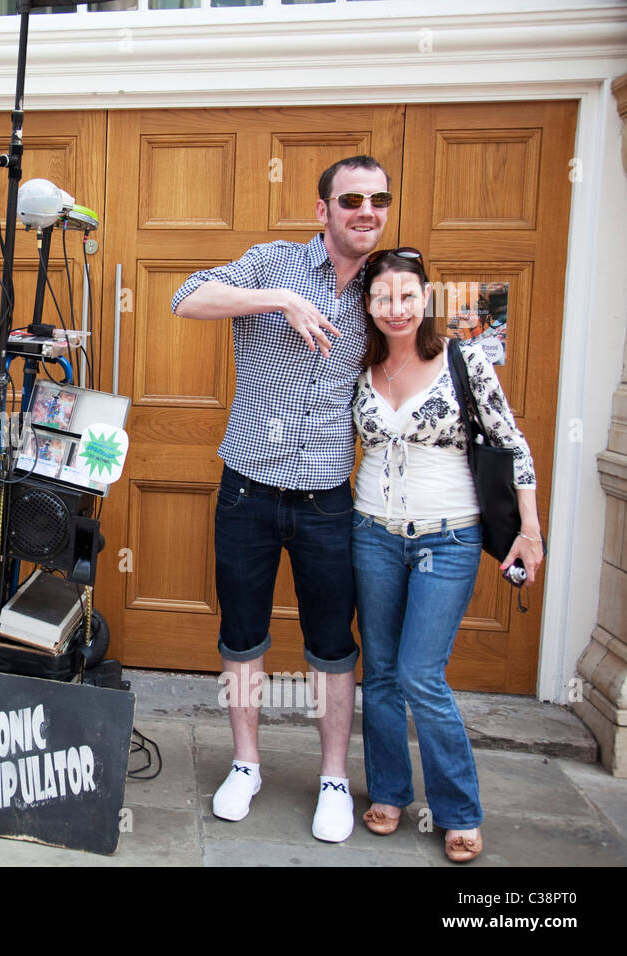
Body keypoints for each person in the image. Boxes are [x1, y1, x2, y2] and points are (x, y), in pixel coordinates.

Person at [171, 155, 393, 842]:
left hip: (328, 498)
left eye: (378, 200)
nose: (366, 211)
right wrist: (279, 300)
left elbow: (430, 350)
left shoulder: (385, 288)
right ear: (323, 209)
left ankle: (334, 778)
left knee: (333, 643)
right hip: (248, 490)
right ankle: (246, 764)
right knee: (242, 635)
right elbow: (186, 297)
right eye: (351, 199)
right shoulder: (274, 262)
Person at [352, 248, 541, 862]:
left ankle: (458, 810)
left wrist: (530, 529)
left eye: (407, 295)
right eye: (383, 297)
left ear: (426, 298)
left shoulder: (464, 359)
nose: (396, 308)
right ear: (368, 303)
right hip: (373, 532)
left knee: (419, 674)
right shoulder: (360, 362)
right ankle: (388, 792)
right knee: (381, 672)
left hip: (448, 536)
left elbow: (513, 444)